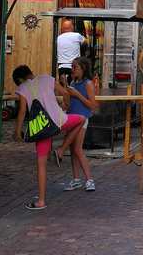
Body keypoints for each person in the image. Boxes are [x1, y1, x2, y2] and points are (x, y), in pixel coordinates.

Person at [12, 65, 94, 210]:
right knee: (81, 119)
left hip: (42, 128)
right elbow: (65, 93)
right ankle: (61, 149)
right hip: (60, 120)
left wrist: (17, 132)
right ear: (31, 72)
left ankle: (41, 201)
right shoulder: (46, 78)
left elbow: (22, 112)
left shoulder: (23, 88)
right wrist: (65, 105)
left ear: (19, 79)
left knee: (41, 164)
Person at [55, 57, 97, 192]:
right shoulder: (73, 82)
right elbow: (68, 100)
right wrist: (64, 87)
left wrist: (78, 95)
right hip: (72, 118)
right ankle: (76, 179)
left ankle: (90, 180)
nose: (72, 70)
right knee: (73, 150)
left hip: (82, 118)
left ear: (83, 69)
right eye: (72, 67)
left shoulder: (88, 83)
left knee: (78, 149)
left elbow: (92, 105)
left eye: (75, 67)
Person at [56, 20, 86, 86]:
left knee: (64, 88)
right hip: (74, 66)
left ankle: (66, 86)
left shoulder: (58, 38)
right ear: (72, 27)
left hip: (62, 66)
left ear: (63, 29)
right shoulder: (77, 35)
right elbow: (84, 42)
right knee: (75, 85)